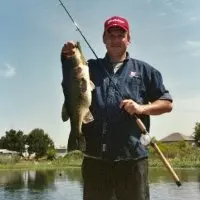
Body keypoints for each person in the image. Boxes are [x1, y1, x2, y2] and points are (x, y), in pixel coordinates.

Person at [61, 16, 173, 200]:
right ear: (104, 39)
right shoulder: (90, 67)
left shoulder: (145, 70)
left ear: (128, 39)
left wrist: (141, 108)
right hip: (95, 160)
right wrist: (67, 55)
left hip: (133, 160)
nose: (115, 39)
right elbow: (69, 79)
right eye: (110, 35)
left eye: (120, 35)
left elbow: (167, 103)